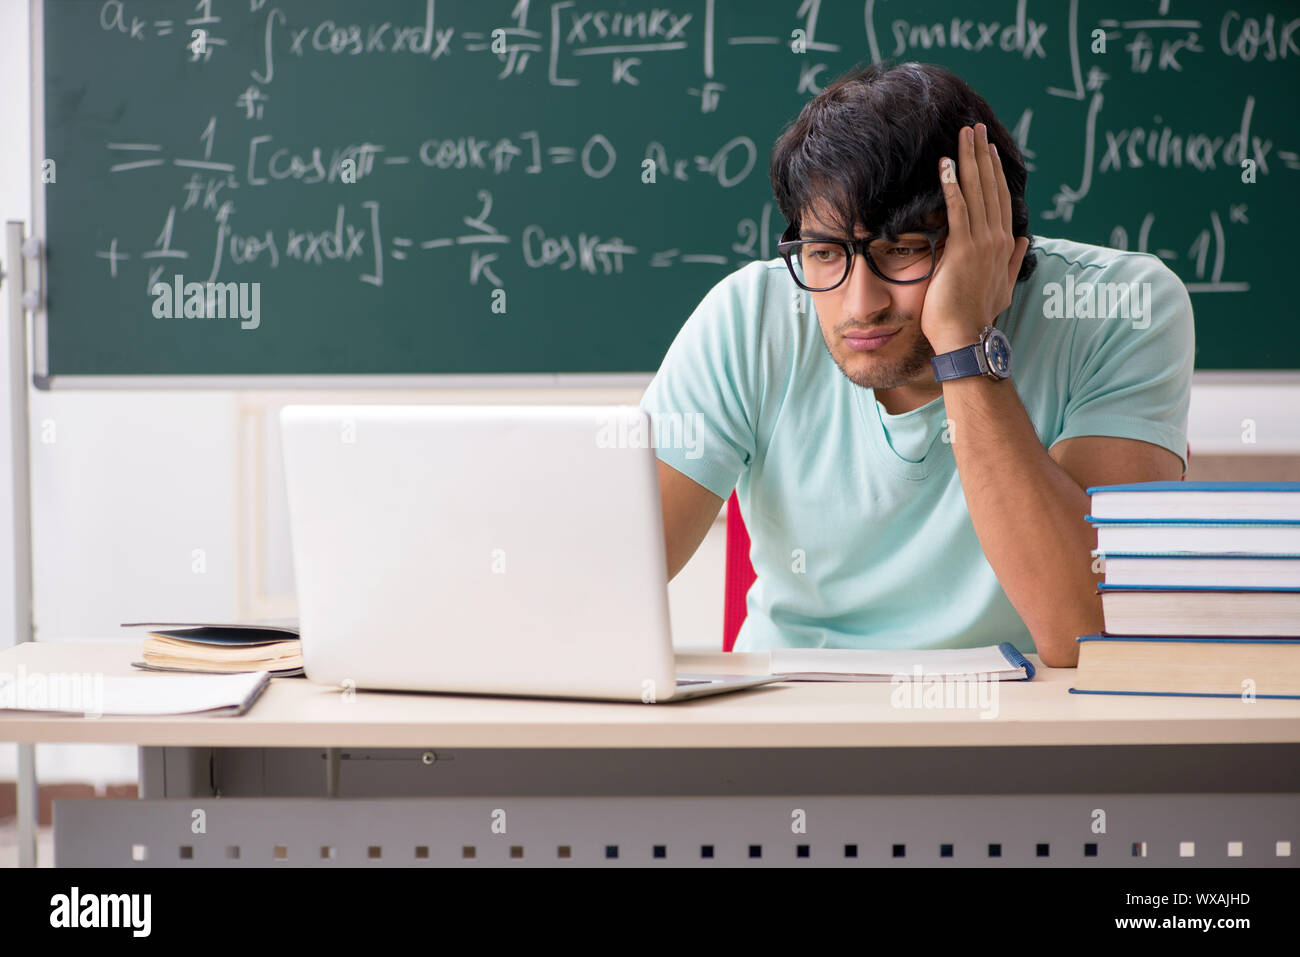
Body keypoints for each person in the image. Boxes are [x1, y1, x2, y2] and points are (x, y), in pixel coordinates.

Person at [640, 62, 1193, 667]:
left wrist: (963, 343)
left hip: (1031, 728)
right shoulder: (749, 318)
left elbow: (1090, 635)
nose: (860, 305)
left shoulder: (1120, 307)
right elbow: (607, 585)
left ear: (991, 231)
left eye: (902, 251)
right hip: (790, 721)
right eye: (825, 254)